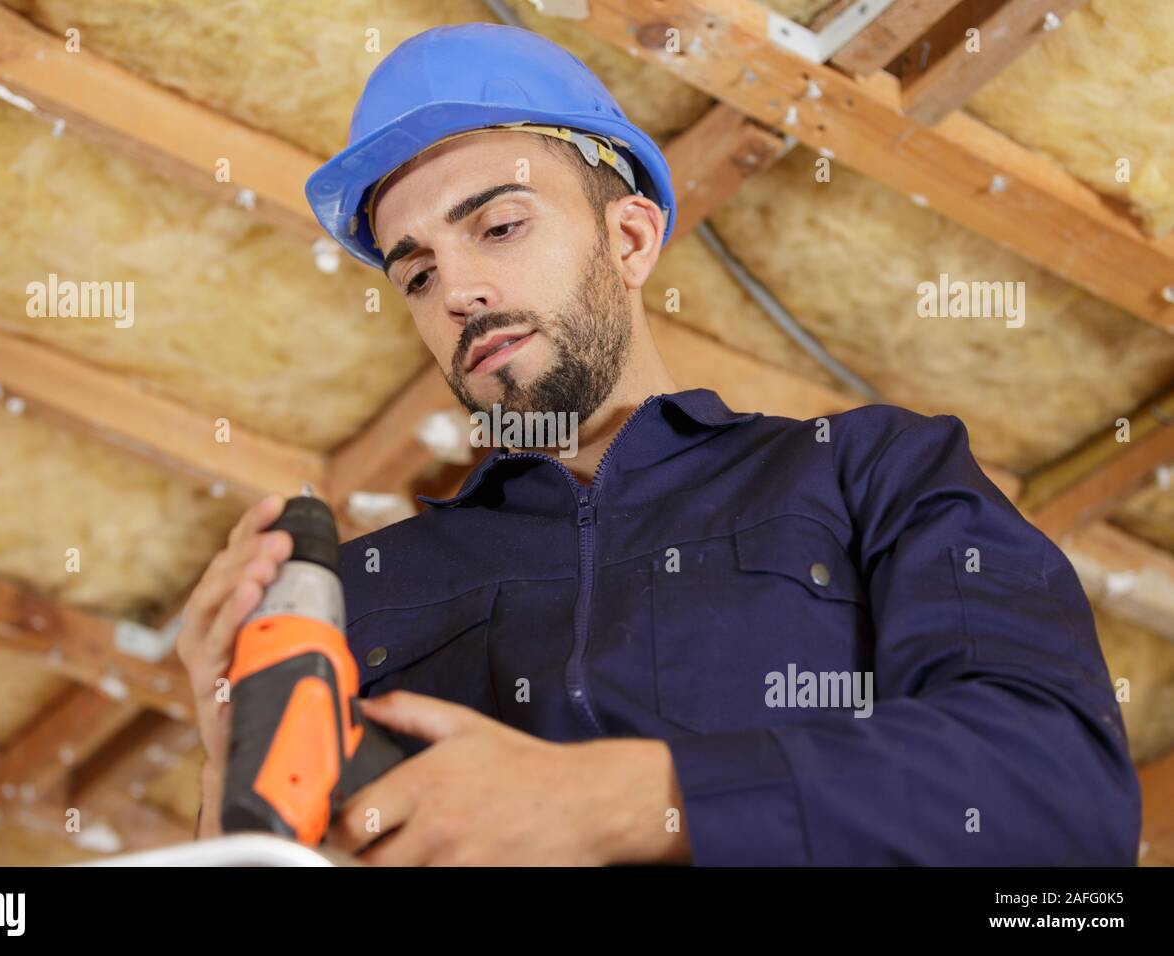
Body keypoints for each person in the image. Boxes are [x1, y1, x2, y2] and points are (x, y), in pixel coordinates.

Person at [177, 22, 1140, 866]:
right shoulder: (365, 590)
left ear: (631, 240)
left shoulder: (868, 471)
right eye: (417, 273)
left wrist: (626, 802)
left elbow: (1058, 789)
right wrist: (239, 779)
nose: (458, 289)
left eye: (500, 225)